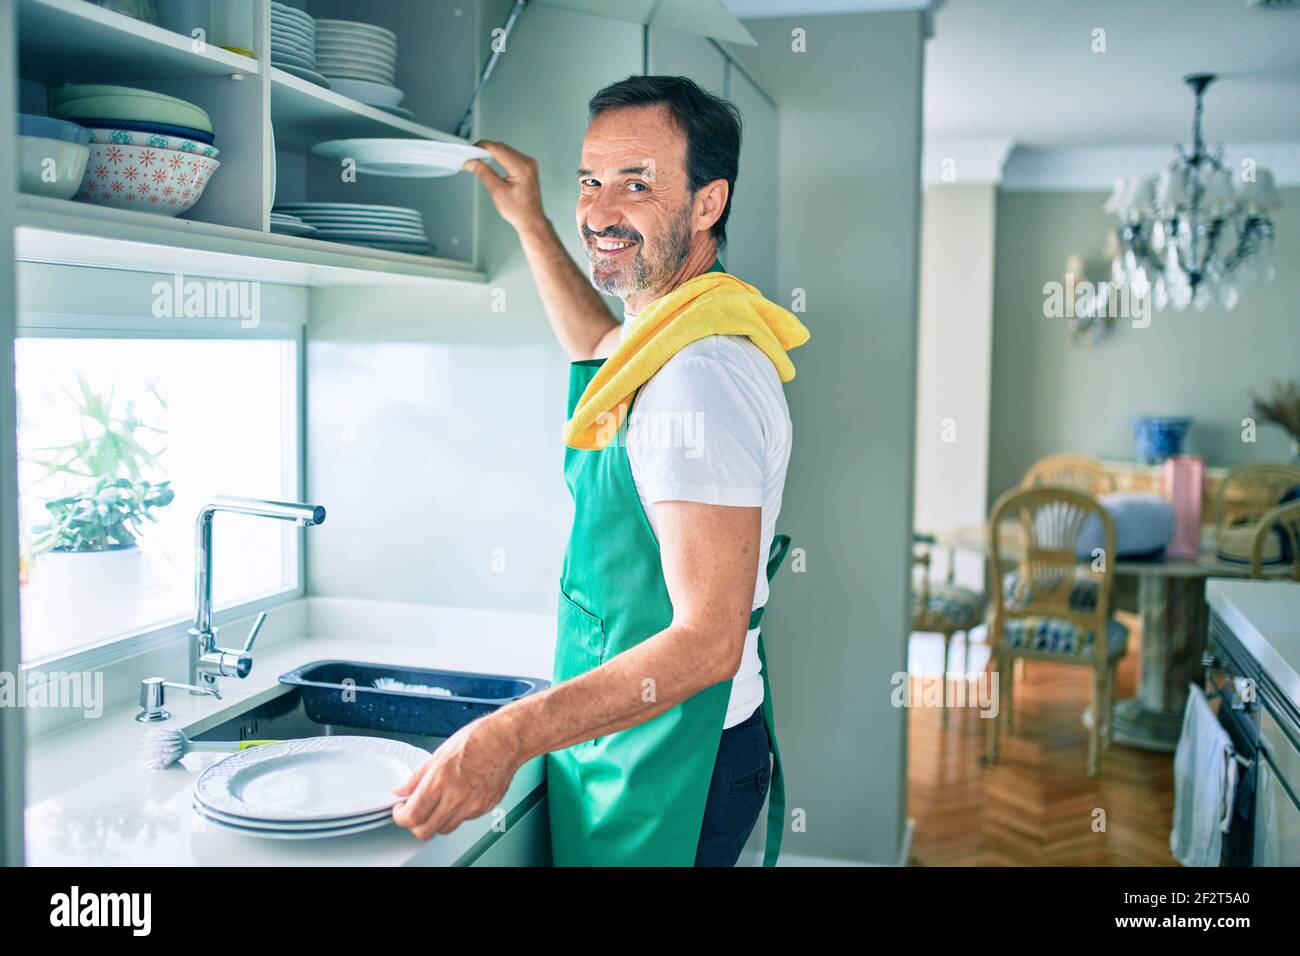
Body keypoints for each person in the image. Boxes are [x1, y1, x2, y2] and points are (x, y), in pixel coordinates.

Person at [391, 75, 809, 866]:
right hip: (648, 737)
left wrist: (509, 732)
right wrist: (531, 220)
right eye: (591, 181)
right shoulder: (674, 326)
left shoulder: (698, 376)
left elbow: (706, 642)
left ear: (709, 201)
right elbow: (595, 347)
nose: (601, 211)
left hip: (676, 758)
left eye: (636, 184)